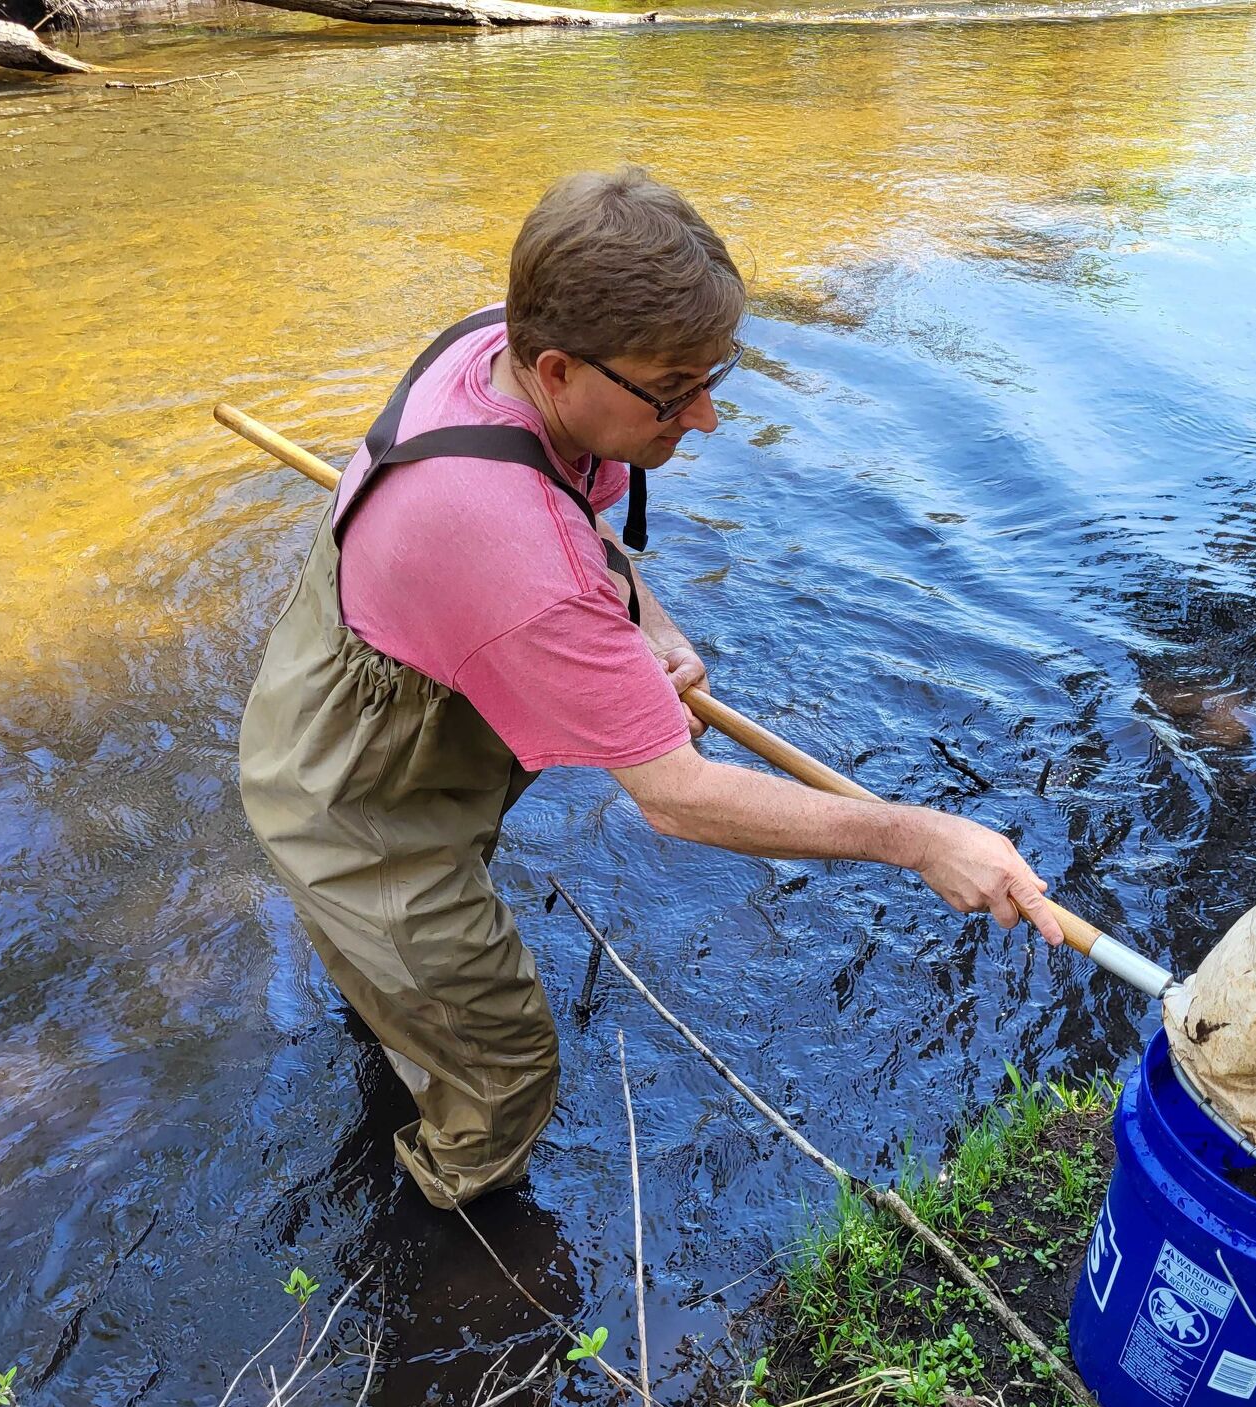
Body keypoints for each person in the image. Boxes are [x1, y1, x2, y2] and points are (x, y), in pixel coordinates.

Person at [239, 167, 1063, 1210]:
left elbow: (568, 522)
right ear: (556, 366)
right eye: (675, 388)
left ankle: (393, 1006)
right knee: (503, 1063)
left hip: (404, 676)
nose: (707, 417)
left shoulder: (508, 342)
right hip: (353, 795)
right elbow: (674, 798)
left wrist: (648, 620)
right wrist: (918, 839)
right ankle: (455, 1223)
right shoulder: (512, 559)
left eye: (713, 375)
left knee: (420, 970)